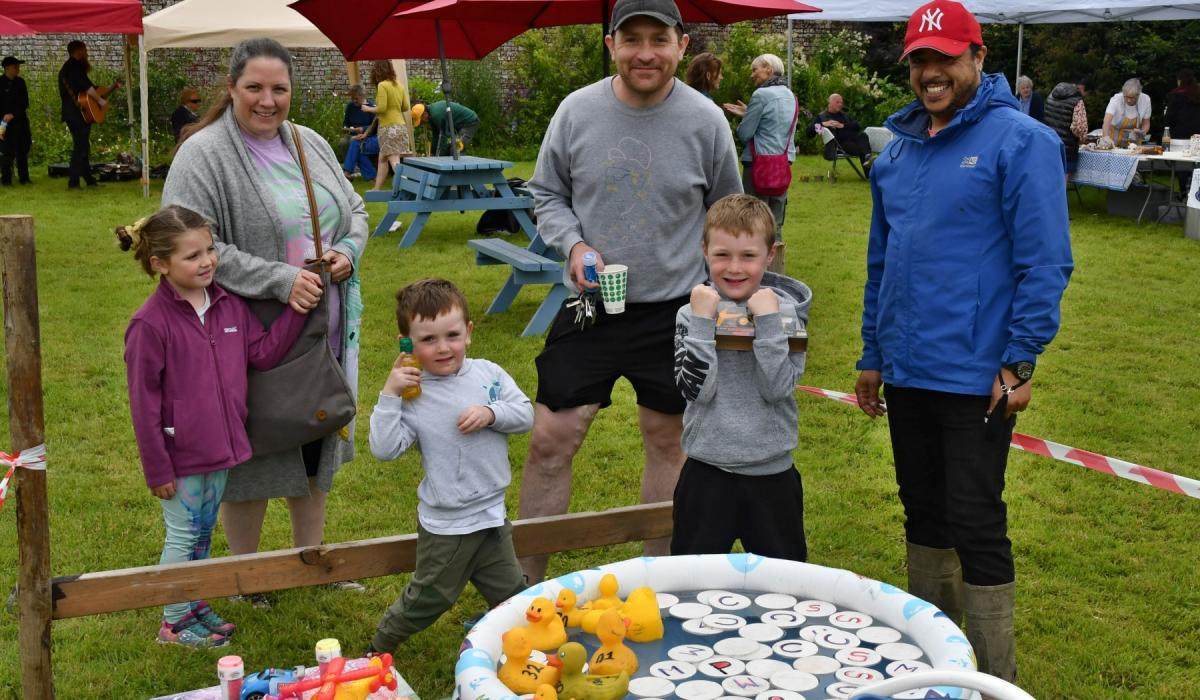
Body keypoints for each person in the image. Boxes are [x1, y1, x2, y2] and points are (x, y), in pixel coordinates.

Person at [854, 0, 1073, 683]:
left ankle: (993, 677)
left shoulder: (1020, 142)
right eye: (920, 60)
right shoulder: (900, 150)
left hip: (977, 373)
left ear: (978, 58)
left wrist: (1019, 361)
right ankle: (934, 664)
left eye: (945, 58)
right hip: (909, 368)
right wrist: (872, 353)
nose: (930, 72)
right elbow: (881, 264)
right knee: (920, 507)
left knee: (975, 517)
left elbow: (1045, 262)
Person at [518, 0, 741, 584]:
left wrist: (726, 292)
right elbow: (546, 193)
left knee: (667, 439)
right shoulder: (576, 111)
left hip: (674, 306)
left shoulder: (705, 120)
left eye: (659, 39)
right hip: (592, 302)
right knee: (551, 438)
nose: (646, 52)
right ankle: (522, 587)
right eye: (632, 38)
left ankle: (658, 583)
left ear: (682, 46)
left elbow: (728, 213)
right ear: (610, 44)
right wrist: (571, 245)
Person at [162, 37, 369, 605]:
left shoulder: (310, 143)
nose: (267, 100)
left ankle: (310, 560)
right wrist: (280, 280)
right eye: (254, 87)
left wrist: (348, 250)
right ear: (230, 89)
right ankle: (246, 578)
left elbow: (354, 208)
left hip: (321, 325)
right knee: (252, 450)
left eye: (279, 88)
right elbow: (191, 243)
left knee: (315, 431)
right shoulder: (203, 154)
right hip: (243, 336)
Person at [118, 205, 309, 647]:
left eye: (209, 251)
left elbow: (261, 354)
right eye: (191, 256)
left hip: (221, 447)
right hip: (178, 454)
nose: (206, 262)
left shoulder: (228, 306)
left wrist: (295, 311)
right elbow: (142, 403)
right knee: (183, 533)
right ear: (160, 265)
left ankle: (194, 601)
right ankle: (172, 620)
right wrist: (157, 468)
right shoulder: (149, 324)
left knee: (204, 531)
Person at [367, 278, 532, 653]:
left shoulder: (488, 373)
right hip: (450, 527)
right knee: (428, 599)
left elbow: (524, 415)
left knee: (513, 597)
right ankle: (379, 649)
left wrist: (492, 413)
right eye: (428, 340)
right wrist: (390, 394)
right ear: (406, 344)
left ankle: (531, 648)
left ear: (468, 333)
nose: (443, 348)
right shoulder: (412, 394)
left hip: (492, 517)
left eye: (452, 335)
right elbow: (384, 449)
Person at [671, 194, 810, 561]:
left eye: (748, 256)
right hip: (706, 471)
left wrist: (768, 322)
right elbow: (695, 392)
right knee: (692, 583)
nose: (734, 267)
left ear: (770, 254)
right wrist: (702, 323)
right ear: (704, 250)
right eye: (722, 255)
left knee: (782, 588)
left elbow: (777, 389)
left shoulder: (787, 316)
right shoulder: (691, 314)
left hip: (772, 475)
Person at [723, 54, 797, 270]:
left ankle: (753, 270)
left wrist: (744, 120)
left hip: (758, 166)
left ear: (767, 68)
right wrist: (750, 113)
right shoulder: (790, 95)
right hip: (782, 164)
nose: (752, 74)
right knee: (775, 220)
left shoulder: (761, 94)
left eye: (755, 69)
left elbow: (745, 133)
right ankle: (777, 272)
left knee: (753, 218)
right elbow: (776, 126)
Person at [58, 40, 119, 190]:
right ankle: (73, 182)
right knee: (80, 147)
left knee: (83, 146)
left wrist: (109, 89)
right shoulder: (73, 67)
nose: (87, 53)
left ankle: (89, 179)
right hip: (75, 113)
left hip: (78, 112)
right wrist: (100, 100)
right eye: (85, 50)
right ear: (78, 51)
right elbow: (88, 88)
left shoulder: (71, 67)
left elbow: (90, 90)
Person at [360, 61, 411, 190]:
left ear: (378, 71)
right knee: (383, 158)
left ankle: (408, 187)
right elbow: (405, 107)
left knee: (394, 161)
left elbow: (382, 108)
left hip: (388, 128)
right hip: (400, 127)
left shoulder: (382, 85)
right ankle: (376, 188)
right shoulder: (399, 85)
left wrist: (367, 109)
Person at [803, 92, 873, 170]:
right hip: (838, 146)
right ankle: (869, 164)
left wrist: (843, 125)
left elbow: (857, 126)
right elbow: (809, 133)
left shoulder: (844, 115)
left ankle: (867, 157)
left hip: (854, 140)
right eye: (837, 102)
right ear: (830, 103)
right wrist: (823, 124)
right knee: (863, 149)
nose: (840, 104)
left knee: (863, 135)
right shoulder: (822, 117)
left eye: (841, 103)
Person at [1043, 77, 1091, 177]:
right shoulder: (1077, 101)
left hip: (1049, 145)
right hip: (1067, 151)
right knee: (1061, 186)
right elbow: (1079, 128)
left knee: (1049, 181)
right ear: (1082, 89)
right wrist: (1082, 140)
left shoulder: (1051, 95)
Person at [0, 56, 31, 186]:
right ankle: (6, 179)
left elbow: (24, 102)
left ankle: (24, 178)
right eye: (15, 67)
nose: (18, 69)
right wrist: (4, 116)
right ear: (7, 69)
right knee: (7, 151)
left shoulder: (20, 82)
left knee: (23, 149)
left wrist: (13, 114)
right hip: (4, 123)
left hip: (20, 121)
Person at [413, 99, 480, 156]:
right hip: (459, 125)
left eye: (421, 120)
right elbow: (436, 136)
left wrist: (439, 156)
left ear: (424, 113)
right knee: (451, 149)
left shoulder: (436, 115)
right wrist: (432, 153)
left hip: (469, 122)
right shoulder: (432, 115)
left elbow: (444, 137)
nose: (423, 123)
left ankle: (460, 170)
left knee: (455, 148)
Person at [341, 85, 378, 180]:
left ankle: (347, 172)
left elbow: (374, 126)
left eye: (356, 98)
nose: (354, 101)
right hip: (352, 134)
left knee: (355, 144)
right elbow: (345, 123)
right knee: (344, 142)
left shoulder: (371, 107)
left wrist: (363, 129)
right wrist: (347, 128)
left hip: (367, 136)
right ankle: (371, 175)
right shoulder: (350, 107)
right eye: (352, 98)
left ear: (362, 96)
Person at [1103, 77, 1151, 147]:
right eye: (1126, 97)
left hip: (1134, 146)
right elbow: (1106, 121)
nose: (1128, 100)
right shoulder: (1116, 99)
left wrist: (1142, 133)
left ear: (1138, 95)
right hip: (1113, 144)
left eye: (1131, 97)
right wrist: (1105, 137)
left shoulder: (1145, 99)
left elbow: (1146, 123)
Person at [1164, 68, 1200, 140]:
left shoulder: (1175, 96)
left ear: (1180, 81)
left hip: (1179, 136)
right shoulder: (1197, 94)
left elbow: (1169, 118)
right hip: (1197, 137)